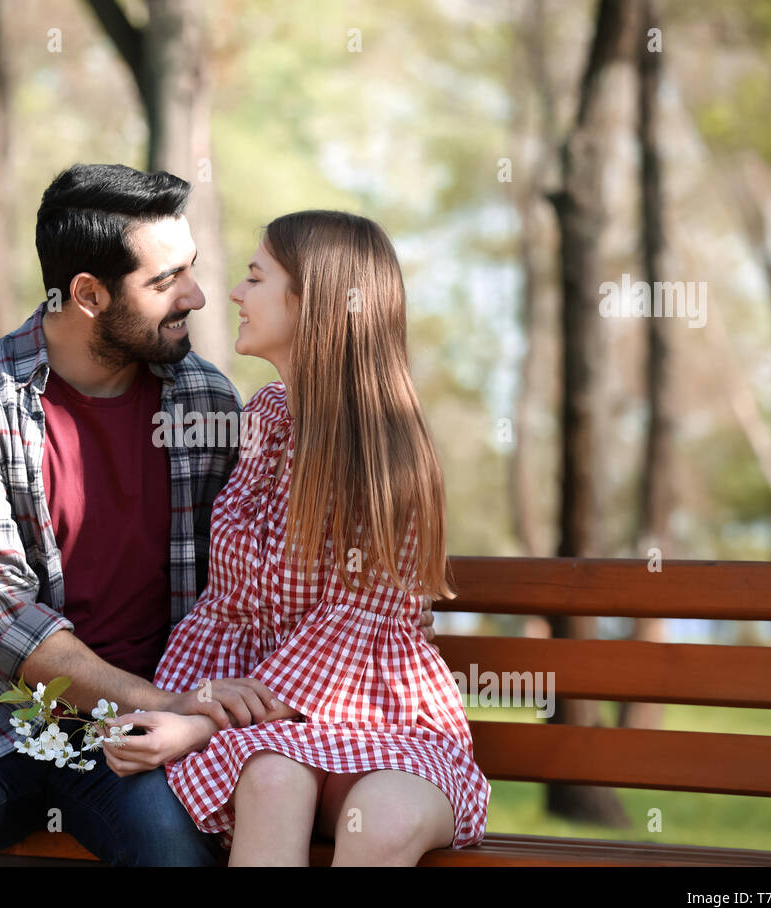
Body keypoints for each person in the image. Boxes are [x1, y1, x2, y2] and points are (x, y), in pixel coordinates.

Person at [0, 164, 382, 865]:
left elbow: (260, 581)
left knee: (176, 852)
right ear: (87, 293)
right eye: (164, 281)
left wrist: (193, 711)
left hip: (140, 740)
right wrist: (166, 702)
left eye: (192, 270)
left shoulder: (205, 404)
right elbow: (0, 623)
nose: (198, 297)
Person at [100, 210, 491, 866]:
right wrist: (179, 702)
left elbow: (350, 627)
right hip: (269, 729)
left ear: (312, 302)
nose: (233, 294)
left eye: (255, 278)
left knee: (382, 820)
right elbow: (225, 605)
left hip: (378, 716)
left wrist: (195, 724)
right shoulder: (263, 420)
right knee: (274, 779)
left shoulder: (386, 446)